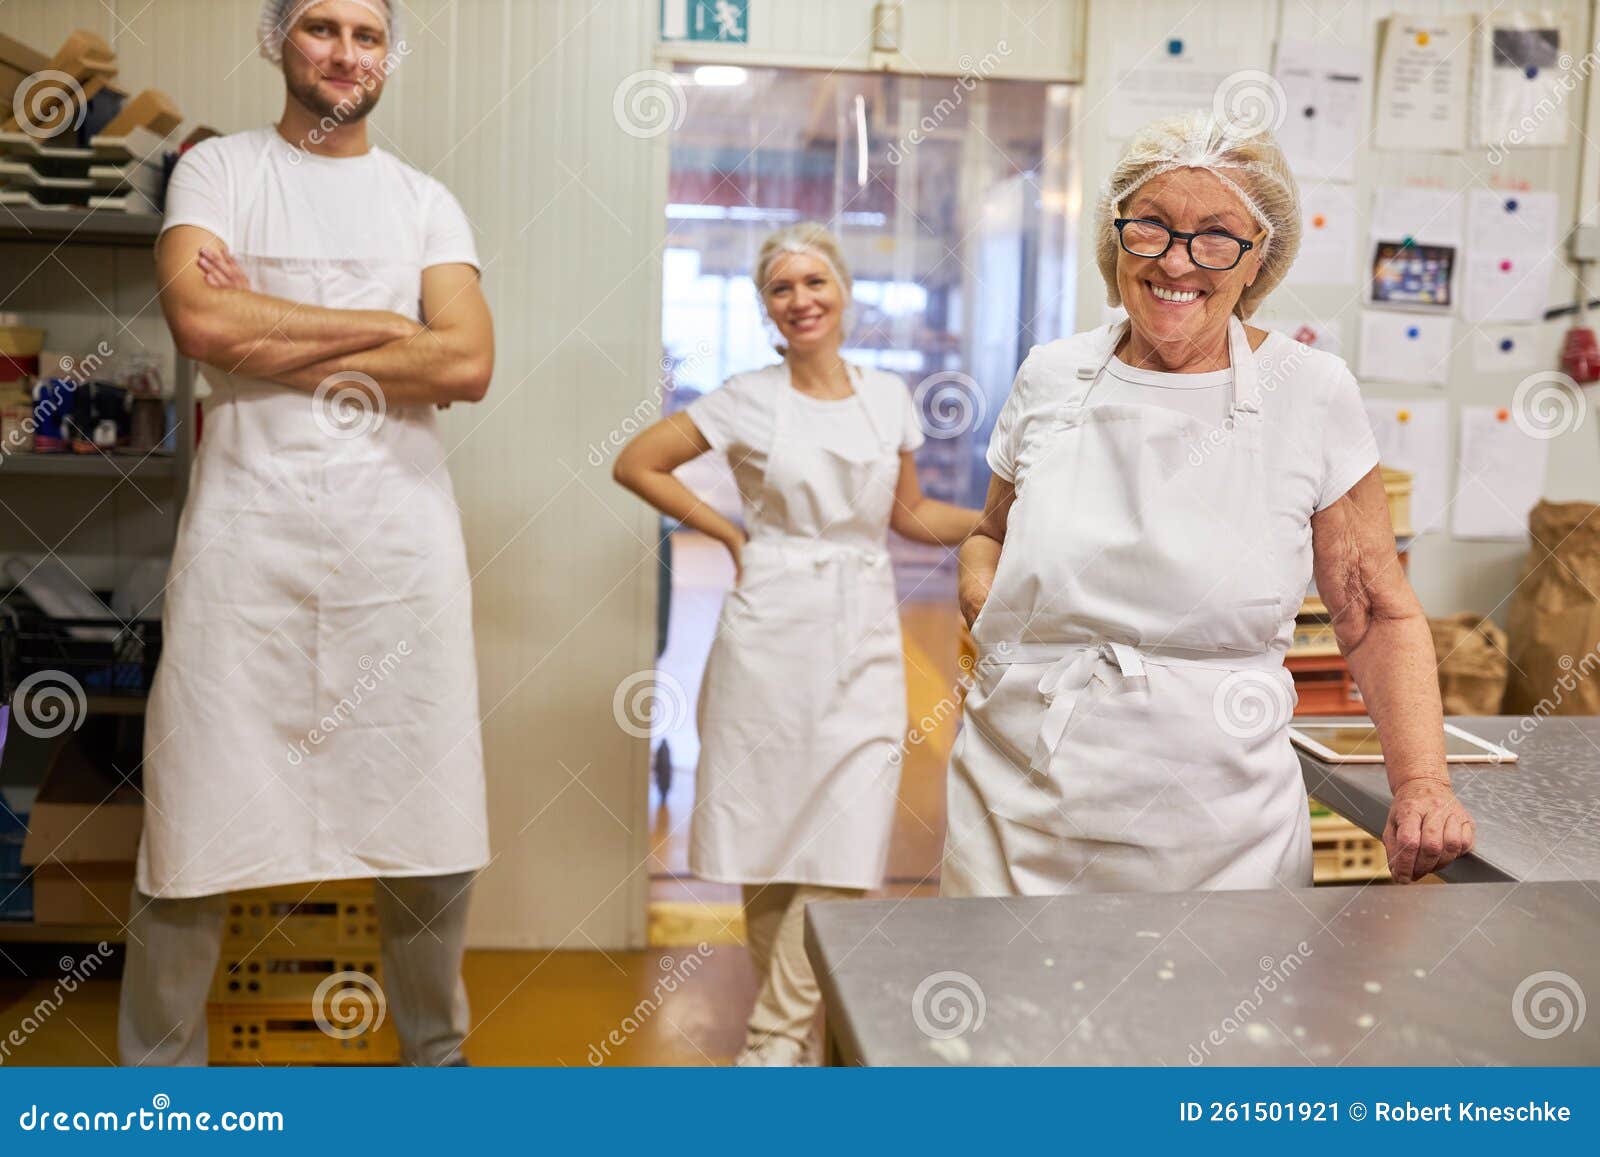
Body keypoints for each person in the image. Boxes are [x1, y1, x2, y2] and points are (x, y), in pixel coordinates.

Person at [946, 110, 1476, 898]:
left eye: (1217, 235)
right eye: (1152, 226)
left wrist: (1424, 783)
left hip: (1218, 835)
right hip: (1017, 811)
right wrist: (983, 591)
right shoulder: (1051, 374)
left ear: (1259, 256)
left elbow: (1374, 612)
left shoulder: (1310, 393)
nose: (1179, 262)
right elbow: (990, 535)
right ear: (1115, 234)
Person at [120, 0, 494, 1066]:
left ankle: (437, 1067)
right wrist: (390, 329)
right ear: (277, 41)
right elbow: (200, 325)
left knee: (426, 820)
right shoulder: (215, 173)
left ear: (389, 55)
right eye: (320, 28)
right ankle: (158, 1091)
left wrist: (266, 323)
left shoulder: (426, 203)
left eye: (366, 34)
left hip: (397, 544)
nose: (344, 52)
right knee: (195, 817)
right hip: (248, 540)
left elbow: (465, 364)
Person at [614, 223, 980, 1065]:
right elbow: (639, 461)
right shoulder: (746, 396)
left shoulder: (888, 396)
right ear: (767, 308)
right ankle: (796, 1048)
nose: (801, 299)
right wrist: (728, 531)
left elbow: (913, 517)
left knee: (846, 834)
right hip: (768, 631)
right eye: (782, 288)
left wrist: (999, 518)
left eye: (815, 282)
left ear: (843, 292)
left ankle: (774, 1040)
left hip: (860, 628)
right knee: (768, 838)